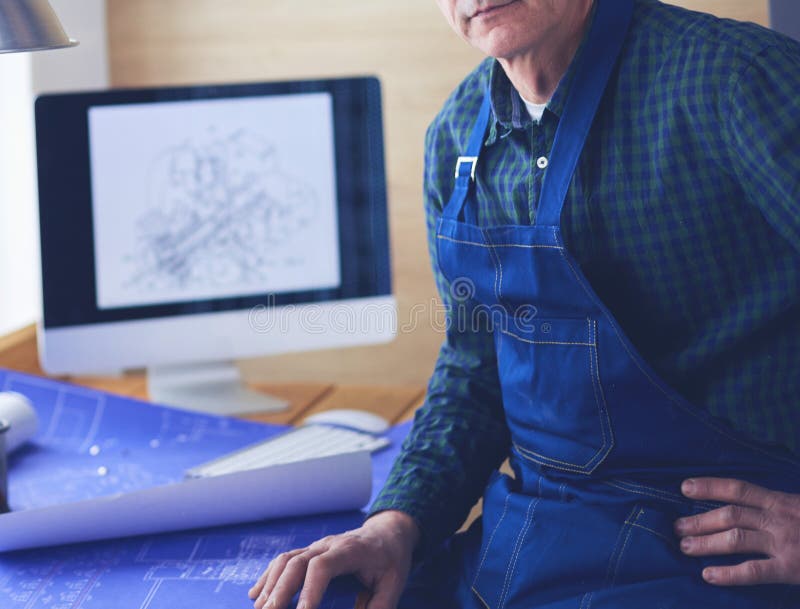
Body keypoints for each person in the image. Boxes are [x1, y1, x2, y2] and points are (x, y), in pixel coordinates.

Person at [249, 1, 800, 607]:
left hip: (711, 560)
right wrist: (395, 525)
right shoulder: (456, 137)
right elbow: (474, 373)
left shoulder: (738, 81)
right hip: (531, 546)